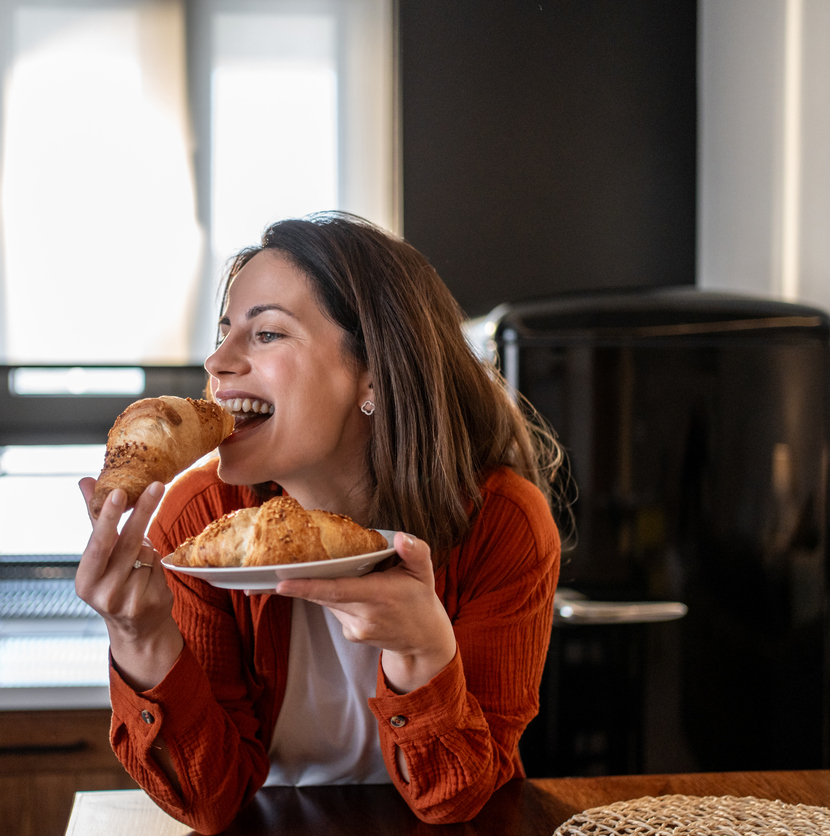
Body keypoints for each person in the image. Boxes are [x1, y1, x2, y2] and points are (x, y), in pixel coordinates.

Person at [75, 212, 563, 834]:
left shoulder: (501, 524)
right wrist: (139, 635)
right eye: (224, 332)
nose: (218, 360)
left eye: (267, 334)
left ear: (373, 373)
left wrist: (422, 654)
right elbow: (209, 802)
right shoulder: (201, 526)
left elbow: (455, 801)